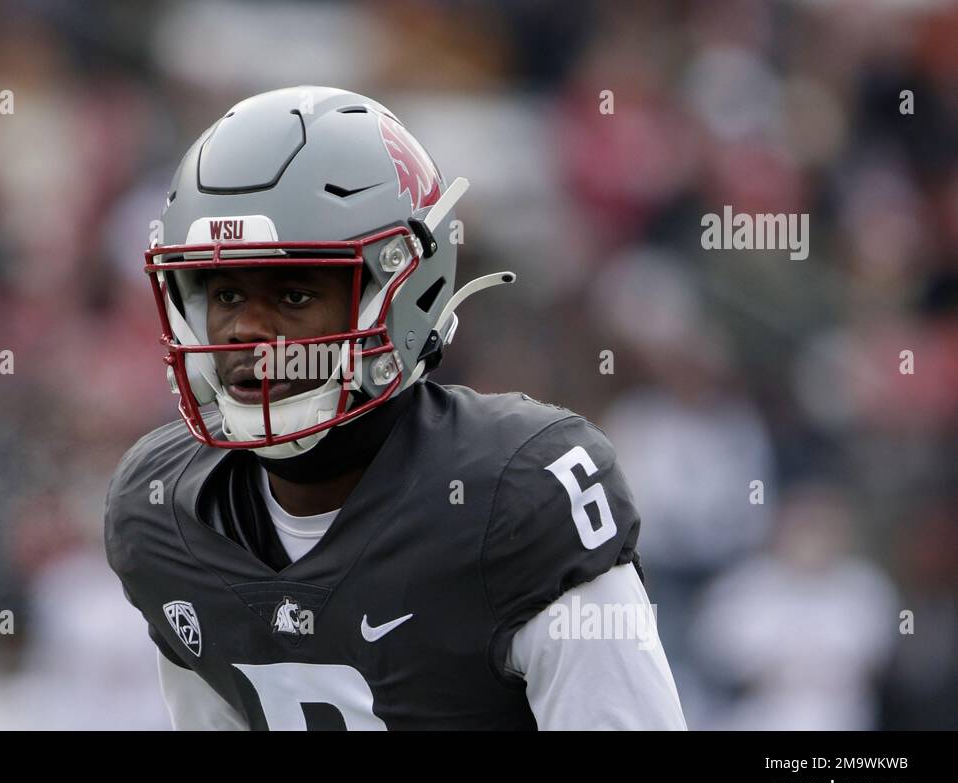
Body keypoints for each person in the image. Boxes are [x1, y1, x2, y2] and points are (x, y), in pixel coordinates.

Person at [104, 86, 686, 730]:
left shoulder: (516, 499)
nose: (247, 331)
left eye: (293, 295)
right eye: (226, 292)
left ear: (404, 290)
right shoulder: (164, 515)